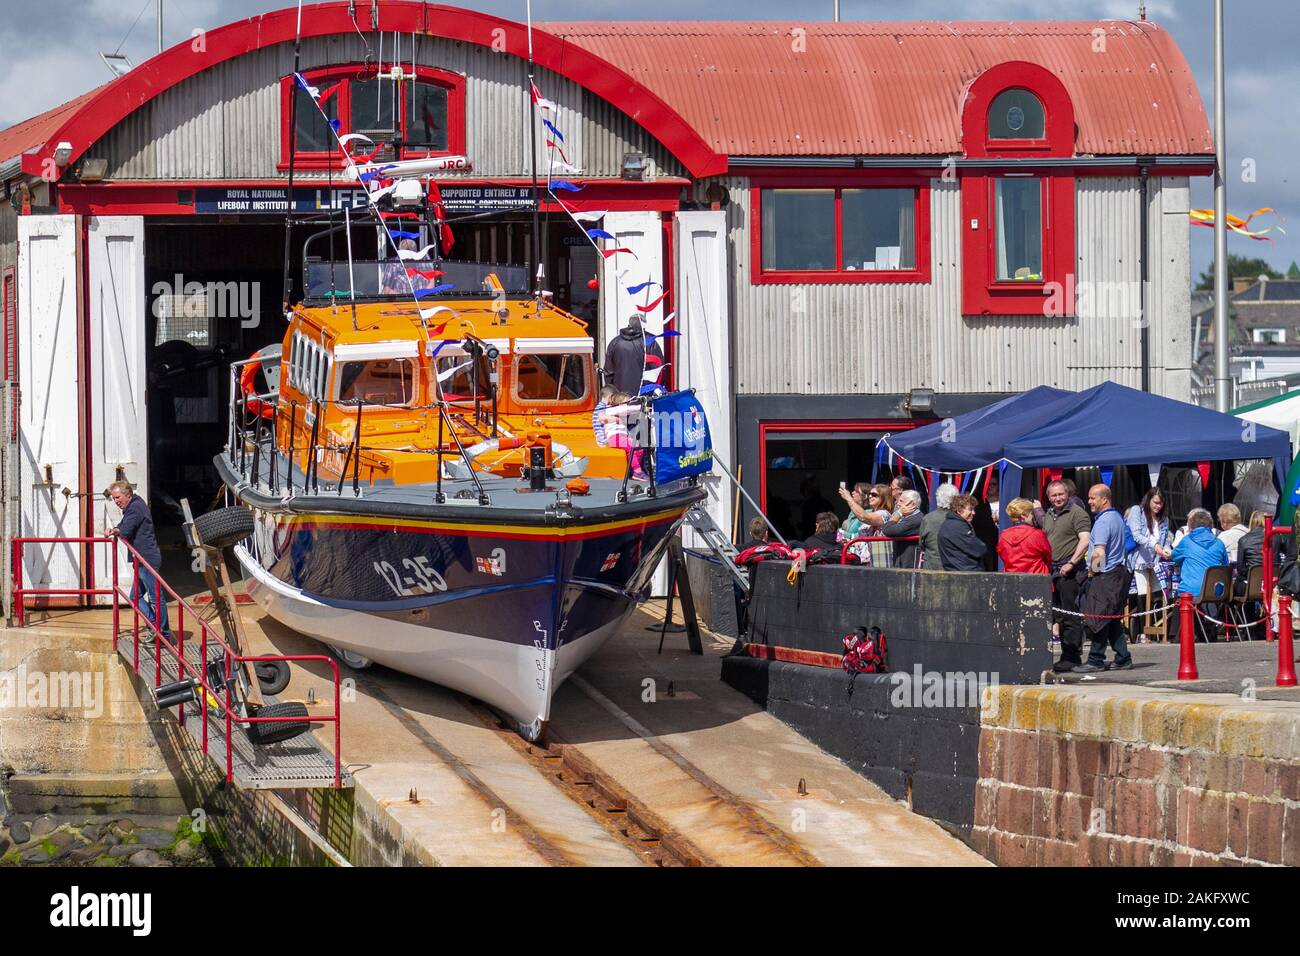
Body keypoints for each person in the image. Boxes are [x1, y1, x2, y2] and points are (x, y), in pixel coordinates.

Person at [1073, 484, 1134, 673]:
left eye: (1093, 498)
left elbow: (1099, 551)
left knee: (1099, 618)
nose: (1089, 501)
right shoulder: (1117, 518)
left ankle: (1095, 660)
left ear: (1104, 499)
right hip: (1117, 573)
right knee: (1111, 618)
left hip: (1105, 576)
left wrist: (1092, 571)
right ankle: (1123, 658)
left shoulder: (1103, 521)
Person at [107, 480, 171, 643]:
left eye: (117, 497)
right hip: (141, 560)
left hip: (146, 559)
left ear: (127, 494)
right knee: (135, 596)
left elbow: (126, 530)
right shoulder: (133, 507)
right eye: (114, 498)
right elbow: (123, 525)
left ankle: (163, 633)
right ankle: (154, 624)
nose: (116, 501)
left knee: (155, 597)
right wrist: (117, 529)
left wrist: (116, 531)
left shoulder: (135, 508)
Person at [1041, 480, 1091, 673]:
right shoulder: (1049, 514)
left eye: (1061, 494)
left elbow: (1085, 540)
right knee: (1059, 616)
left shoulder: (1077, 513)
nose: (1058, 498)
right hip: (1052, 571)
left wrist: (1071, 563)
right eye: (1053, 496)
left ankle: (1072, 657)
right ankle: (1065, 655)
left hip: (1069, 572)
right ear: (1049, 497)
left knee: (1070, 616)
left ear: (1067, 493)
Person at [1169, 508, 1230, 643]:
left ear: (1190, 526)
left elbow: (1174, 556)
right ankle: (1208, 631)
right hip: (1215, 592)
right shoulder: (1219, 543)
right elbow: (1225, 566)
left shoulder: (1187, 541)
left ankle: (1176, 635)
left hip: (1192, 591)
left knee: (1181, 595)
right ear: (1210, 526)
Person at [1126, 487, 1172, 609]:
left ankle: (1155, 626)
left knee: (1157, 598)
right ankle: (1140, 627)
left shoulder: (1164, 519)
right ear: (1148, 500)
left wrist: (1167, 550)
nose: (1158, 506)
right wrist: (1154, 545)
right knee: (1141, 598)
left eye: (1161, 503)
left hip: (1154, 563)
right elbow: (1136, 536)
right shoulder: (1137, 511)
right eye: (1155, 503)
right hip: (1137, 562)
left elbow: (1164, 541)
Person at [603, 314, 664, 396]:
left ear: (629, 324)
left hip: (620, 397)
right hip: (644, 396)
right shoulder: (650, 342)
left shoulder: (615, 343)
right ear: (644, 326)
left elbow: (608, 372)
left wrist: (613, 395)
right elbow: (659, 370)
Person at [997, 498, 1052, 573]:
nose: (1034, 517)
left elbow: (1003, 556)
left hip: (1013, 578)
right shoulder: (1037, 534)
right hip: (1037, 577)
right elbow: (1048, 556)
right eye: (1032, 514)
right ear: (1023, 516)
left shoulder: (1003, 536)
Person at [939, 494, 986, 571]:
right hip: (965, 574)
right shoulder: (957, 526)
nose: (974, 513)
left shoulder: (950, 524)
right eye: (970, 509)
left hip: (959, 571)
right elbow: (979, 549)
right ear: (959, 510)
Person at [881, 490, 924, 568]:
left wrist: (899, 513)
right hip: (902, 562)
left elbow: (887, 530)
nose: (898, 504)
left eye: (901, 501)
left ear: (911, 504)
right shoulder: (909, 517)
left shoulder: (915, 520)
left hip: (908, 565)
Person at [920, 483, 959, 569]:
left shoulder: (928, 518)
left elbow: (921, 543)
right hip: (952, 565)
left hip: (931, 565)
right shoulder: (958, 519)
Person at [972, 473, 1000, 570]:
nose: (991, 487)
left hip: (1000, 538)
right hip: (986, 541)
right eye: (989, 484)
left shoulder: (1004, 501)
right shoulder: (980, 502)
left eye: (994, 484)